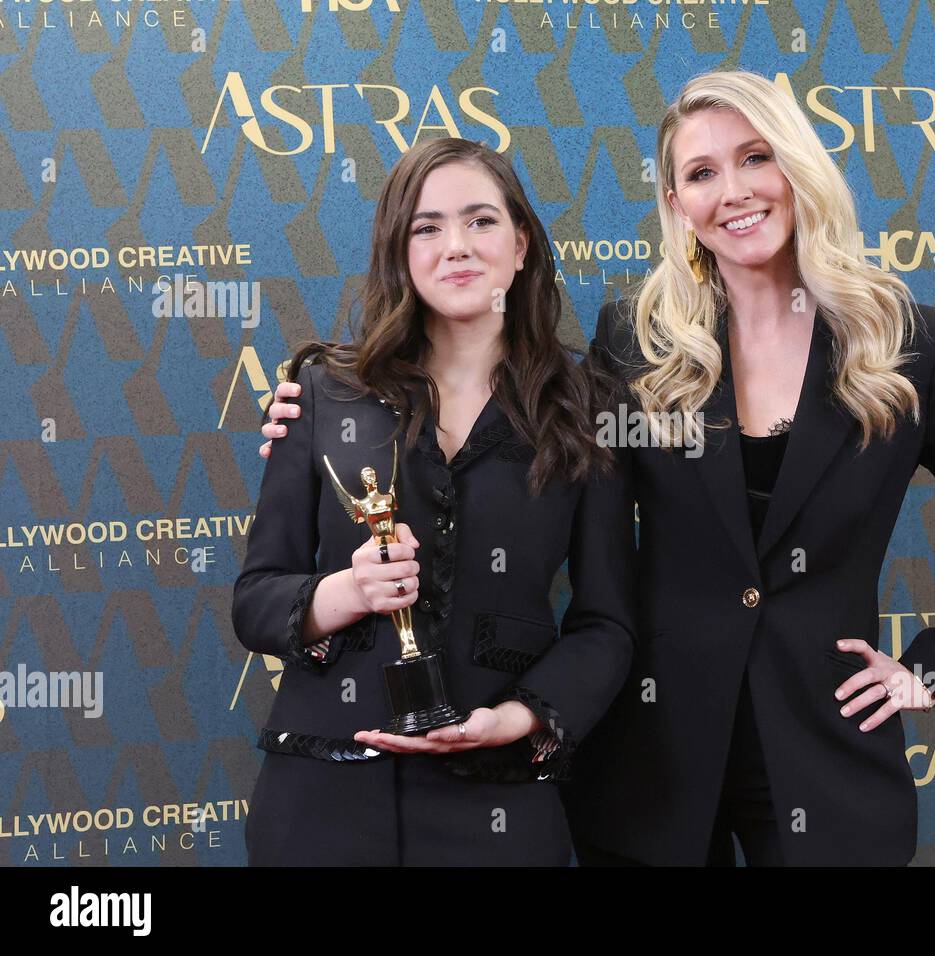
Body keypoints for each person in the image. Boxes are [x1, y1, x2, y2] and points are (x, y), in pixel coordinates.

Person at [259, 72, 935, 867]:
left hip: (827, 757)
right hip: (650, 759)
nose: (735, 192)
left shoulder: (906, 345)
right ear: (678, 205)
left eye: (756, 158)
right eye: (701, 173)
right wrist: (322, 428)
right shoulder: (636, 342)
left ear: (799, 167)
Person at [232, 137, 634, 866]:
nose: (456, 246)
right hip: (319, 801)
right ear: (400, 252)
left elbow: (606, 625)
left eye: (481, 221)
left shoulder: (588, 409)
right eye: (427, 227)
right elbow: (256, 599)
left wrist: (518, 717)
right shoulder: (323, 393)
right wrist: (346, 591)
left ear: (521, 246)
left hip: (497, 802)